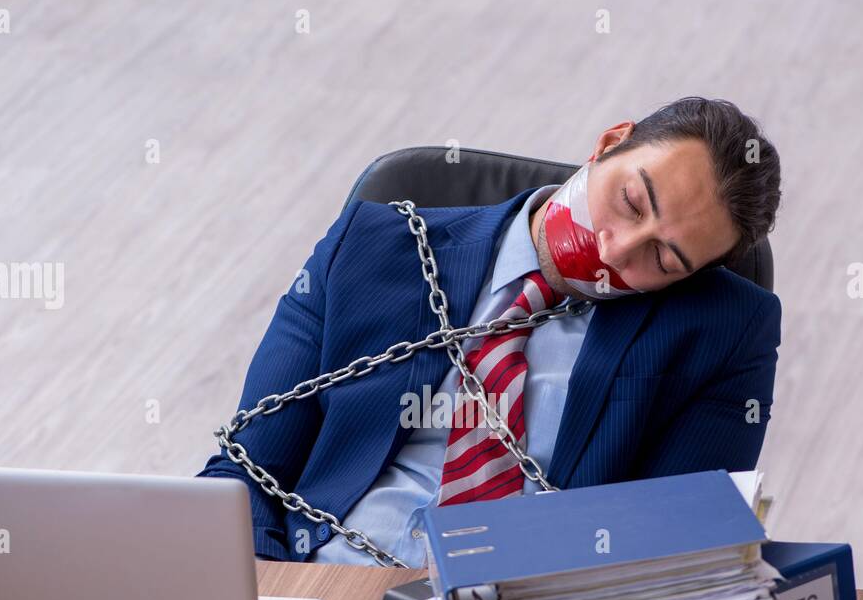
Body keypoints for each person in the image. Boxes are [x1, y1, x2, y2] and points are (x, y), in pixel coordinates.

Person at [199, 97, 782, 567]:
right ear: (609, 144)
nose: (617, 248)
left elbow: (673, 560)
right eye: (630, 201)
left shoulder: (725, 331)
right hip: (330, 586)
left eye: (665, 259)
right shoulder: (370, 245)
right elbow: (245, 474)